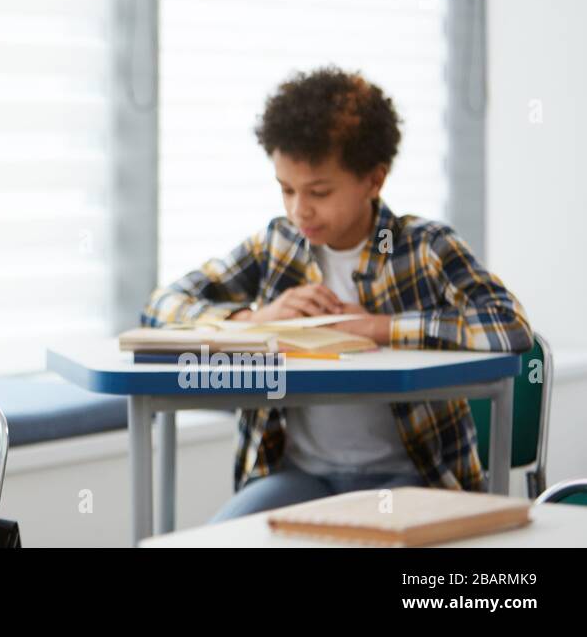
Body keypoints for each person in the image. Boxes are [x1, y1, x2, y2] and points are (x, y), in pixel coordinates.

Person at [142, 66, 532, 521]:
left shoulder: (423, 248)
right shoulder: (278, 244)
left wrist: (381, 328)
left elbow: (509, 326)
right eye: (286, 190)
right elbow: (161, 306)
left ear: (374, 179)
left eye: (319, 192)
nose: (298, 209)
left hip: (411, 477)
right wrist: (255, 319)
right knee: (218, 538)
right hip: (298, 477)